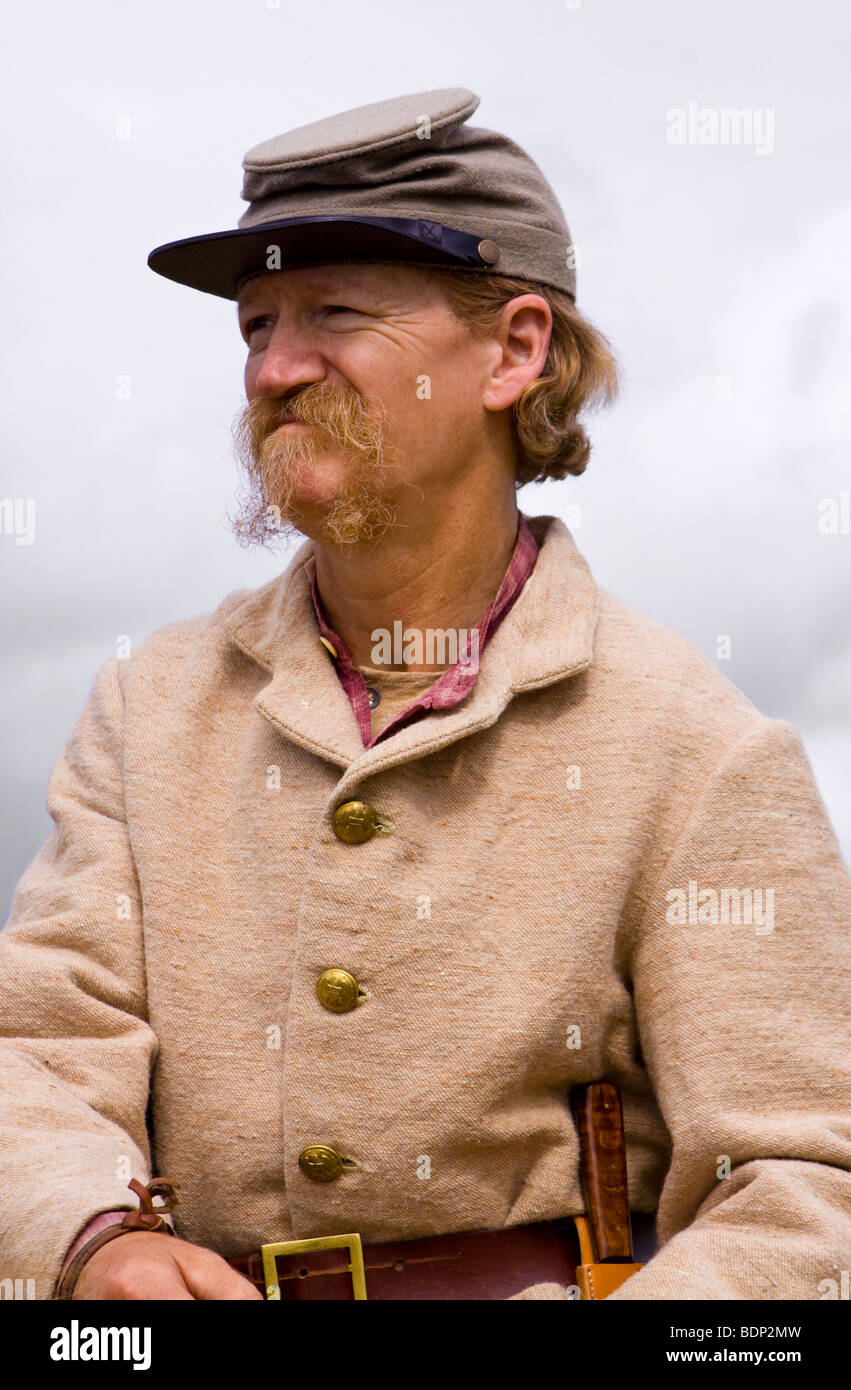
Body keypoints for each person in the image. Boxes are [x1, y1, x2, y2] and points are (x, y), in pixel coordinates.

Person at [1, 88, 848, 1302]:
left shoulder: (696, 747)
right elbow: (37, 1055)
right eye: (254, 326)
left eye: (332, 314)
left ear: (514, 350)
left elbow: (806, 1184)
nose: (274, 370)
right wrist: (93, 1242)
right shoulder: (147, 709)